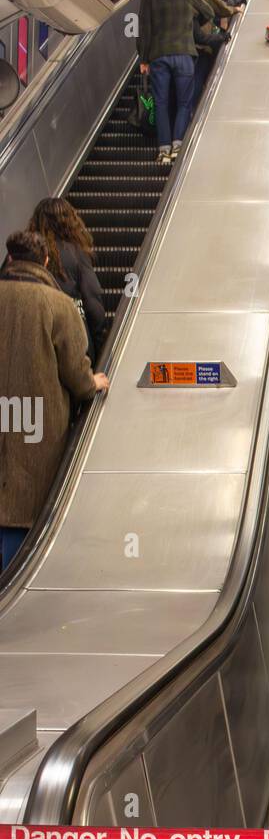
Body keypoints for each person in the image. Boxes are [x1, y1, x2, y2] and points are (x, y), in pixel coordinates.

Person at [0, 231, 109, 571]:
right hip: (37, 425)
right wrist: (92, 382)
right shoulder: (57, 304)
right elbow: (77, 373)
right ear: (46, 261)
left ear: (12, 259)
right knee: (25, 506)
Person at [137, 0, 213, 167]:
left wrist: (144, 59)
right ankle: (178, 144)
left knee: (160, 103)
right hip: (184, 54)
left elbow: (144, 30)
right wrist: (191, 27)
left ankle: (163, 150)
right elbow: (209, 12)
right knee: (183, 102)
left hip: (159, 56)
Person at [29, 197, 106, 363]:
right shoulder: (76, 252)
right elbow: (92, 302)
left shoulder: (23, 256)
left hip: (34, 341)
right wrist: (100, 344)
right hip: (74, 339)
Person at [183, 0, 241, 101]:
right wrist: (234, 9)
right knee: (199, 75)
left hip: (183, 42)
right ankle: (193, 107)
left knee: (185, 80)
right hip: (202, 40)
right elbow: (221, 7)